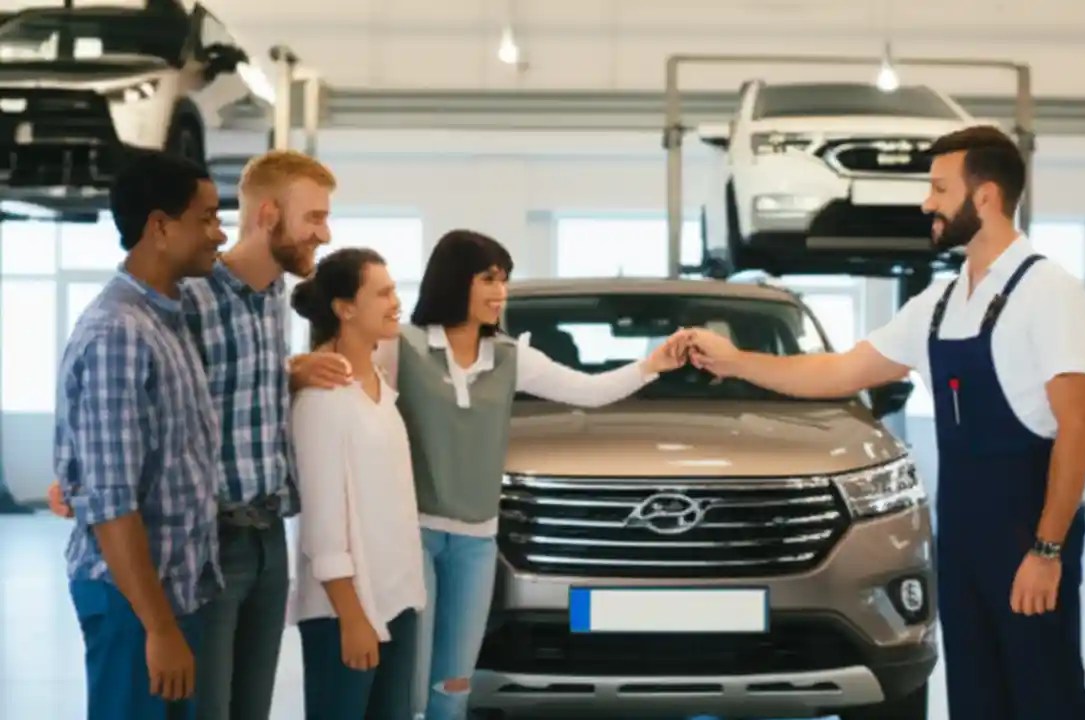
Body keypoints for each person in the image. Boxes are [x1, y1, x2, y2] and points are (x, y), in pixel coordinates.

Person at [681, 126, 1085, 720]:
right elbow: (838, 371)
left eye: (939, 189)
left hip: (1026, 538)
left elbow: (1078, 426)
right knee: (976, 701)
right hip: (961, 542)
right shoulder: (939, 304)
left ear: (984, 197)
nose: (927, 203)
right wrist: (735, 361)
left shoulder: (1050, 292)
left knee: (1046, 696)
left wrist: (1047, 550)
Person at [295, 229, 690, 720]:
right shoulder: (403, 347)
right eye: (488, 279)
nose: (500, 291)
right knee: (408, 686)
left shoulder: (508, 356)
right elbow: (338, 364)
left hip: (477, 543)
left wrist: (652, 365)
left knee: (453, 686)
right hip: (413, 539)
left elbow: (588, 391)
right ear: (455, 281)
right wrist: (294, 370)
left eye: (504, 279)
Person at [49, 149, 354, 720]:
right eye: (314, 217)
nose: (325, 232)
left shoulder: (250, 302)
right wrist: (78, 479)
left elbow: (192, 406)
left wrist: (287, 373)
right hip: (193, 548)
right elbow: (110, 484)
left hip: (234, 546)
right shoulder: (158, 311)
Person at [53, 151, 227, 720]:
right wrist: (159, 628)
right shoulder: (119, 334)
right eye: (206, 218)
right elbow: (112, 504)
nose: (219, 233)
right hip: (133, 602)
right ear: (160, 227)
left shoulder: (168, 319)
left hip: (171, 595)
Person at [288, 248, 427, 719]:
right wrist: (352, 616)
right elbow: (322, 526)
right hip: (345, 612)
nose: (396, 302)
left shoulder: (380, 388)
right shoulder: (323, 398)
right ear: (345, 308)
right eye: (382, 293)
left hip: (397, 601)